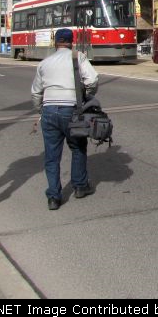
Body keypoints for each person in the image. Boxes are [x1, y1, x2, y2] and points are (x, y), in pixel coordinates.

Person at [31, 28, 99, 210]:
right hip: (72, 110)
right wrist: (86, 97)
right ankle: (80, 187)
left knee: (52, 156)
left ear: (55, 41)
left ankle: (53, 197)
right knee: (78, 147)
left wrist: (41, 110)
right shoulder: (78, 57)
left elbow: (36, 92)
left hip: (49, 110)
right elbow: (92, 80)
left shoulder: (44, 63)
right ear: (72, 41)